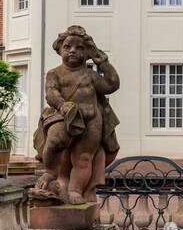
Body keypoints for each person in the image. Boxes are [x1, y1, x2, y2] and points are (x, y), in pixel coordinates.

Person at [31, 25, 120, 204]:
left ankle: (75, 190)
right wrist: (63, 105)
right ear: (60, 49)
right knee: (55, 141)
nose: (73, 51)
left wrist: (101, 61)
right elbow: (51, 93)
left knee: (84, 158)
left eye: (79, 48)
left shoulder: (90, 75)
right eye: (68, 47)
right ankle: (51, 172)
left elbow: (112, 84)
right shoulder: (55, 73)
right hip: (64, 116)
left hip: (91, 120)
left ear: (86, 52)